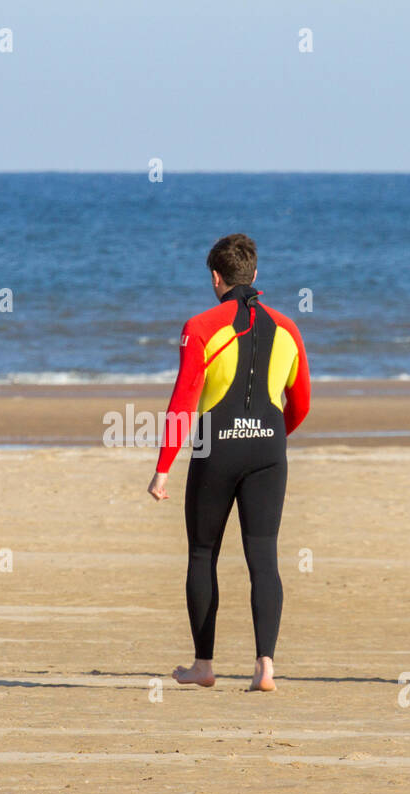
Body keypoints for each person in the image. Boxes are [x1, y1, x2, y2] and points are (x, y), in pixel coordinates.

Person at [148, 234, 311, 691]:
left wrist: (163, 467)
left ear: (216, 277)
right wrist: (271, 439)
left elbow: (183, 402)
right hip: (268, 453)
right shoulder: (287, 328)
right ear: (254, 275)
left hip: (215, 450)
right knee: (264, 558)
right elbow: (301, 402)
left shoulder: (200, 326)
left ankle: (204, 665)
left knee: (203, 554)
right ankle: (265, 667)